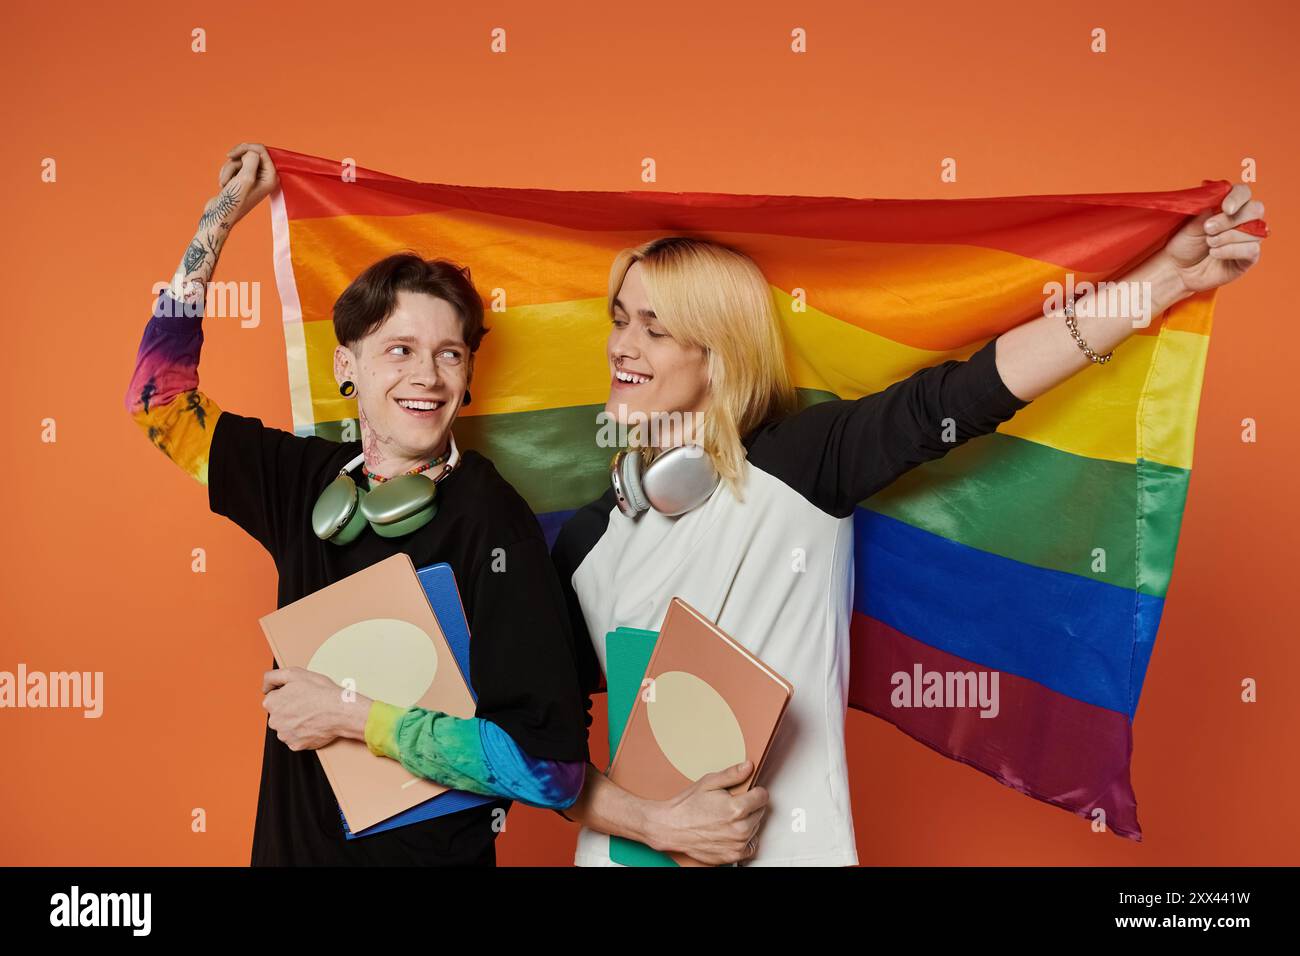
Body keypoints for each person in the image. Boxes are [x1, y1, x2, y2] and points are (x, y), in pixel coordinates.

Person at [551, 186, 1266, 866]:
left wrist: (1167, 280)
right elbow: (528, 740)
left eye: (655, 328)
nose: (622, 345)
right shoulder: (588, 540)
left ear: (719, 353)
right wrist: (644, 820)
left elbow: (971, 391)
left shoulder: (803, 464)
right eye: (619, 319)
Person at [125, 143, 590, 865]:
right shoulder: (302, 481)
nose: (428, 377)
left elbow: (552, 772)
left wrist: (350, 715)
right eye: (399, 350)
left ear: (469, 374)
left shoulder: (494, 521)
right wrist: (219, 220)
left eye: (449, 353)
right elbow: (157, 403)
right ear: (347, 366)